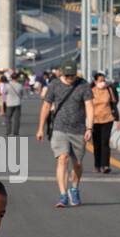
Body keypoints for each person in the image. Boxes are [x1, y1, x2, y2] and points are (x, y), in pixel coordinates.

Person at [36, 61, 93, 208]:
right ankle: (63, 195)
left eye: (72, 75)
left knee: (78, 164)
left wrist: (89, 128)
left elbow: (89, 106)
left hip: (79, 129)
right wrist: (41, 128)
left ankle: (74, 188)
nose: (69, 78)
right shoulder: (54, 85)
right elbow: (46, 106)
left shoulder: (84, 85)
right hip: (59, 128)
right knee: (63, 158)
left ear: (76, 73)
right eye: (67, 75)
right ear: (62, 73)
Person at [90, 72, 120, 173]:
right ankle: (97, 164)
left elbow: (114, 104)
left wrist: (118, 119)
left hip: (107, 119)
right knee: (97, 143)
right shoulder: (90, 91)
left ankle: (105, 165)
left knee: (105, 142)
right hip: (94, 120)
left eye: (104, 80)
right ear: (95, 82)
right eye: (100, 81)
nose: (102, 83)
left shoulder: (109, 90)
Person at [0, 71, 25, 137]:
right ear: (17, 78)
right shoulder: (20, 85)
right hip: (17, 103)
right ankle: (15, 132)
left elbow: (3, 94)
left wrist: (3, 103)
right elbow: (22, 94)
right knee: (16, 118)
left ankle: (8, 131)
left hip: (9, 103)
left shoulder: (7, 85)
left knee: (8, 118)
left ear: (11, 78)